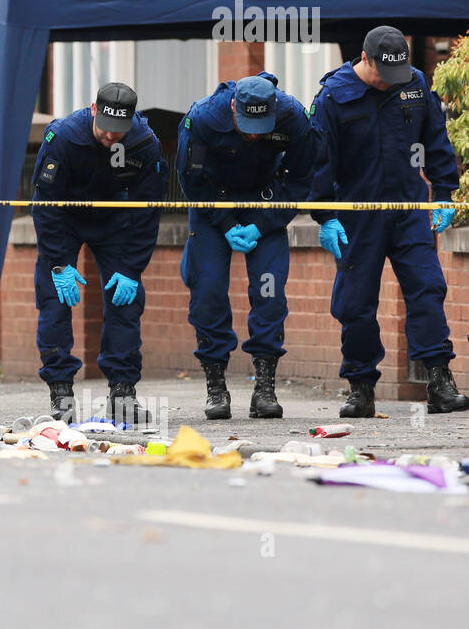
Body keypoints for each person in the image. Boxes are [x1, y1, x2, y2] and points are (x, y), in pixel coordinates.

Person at [309, 25, 469, 418]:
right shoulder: (333, 96)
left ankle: (439, 381)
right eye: (383, 73)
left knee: (427, 289)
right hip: (357, 217)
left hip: (409, 209)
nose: (389, 82)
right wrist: (325, 216)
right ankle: (361, 387)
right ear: (365, 59)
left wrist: (445, 193)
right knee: (356, 303)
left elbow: (436, 138)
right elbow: (318, 164)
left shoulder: (413, 84)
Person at [177, 74, 316, 419]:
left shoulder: (293, 117)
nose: (254, 134)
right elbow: (190, 181)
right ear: (234, 107)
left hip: (265, 205)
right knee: (207, 288)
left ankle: (264, 386)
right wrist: (225, 223)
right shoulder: (203, 118)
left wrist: (263, 222)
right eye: (247, 124)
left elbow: (300, 179)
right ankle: (216, 385)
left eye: (261, 126)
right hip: (213, 206)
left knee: (269, 291)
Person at [32, 82, 165, 425]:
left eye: (119, 131)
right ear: (94, 109)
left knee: (125, 303)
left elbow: (148, 210)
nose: (111, 137)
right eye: (105, 128)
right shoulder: (62, 138)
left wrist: (133, 268)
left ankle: (122, 394)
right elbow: (45, 206)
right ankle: (61, 392)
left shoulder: (144, 144)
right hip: (65, 222)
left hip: (116, 223)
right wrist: (59, 262)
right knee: (54, 300)